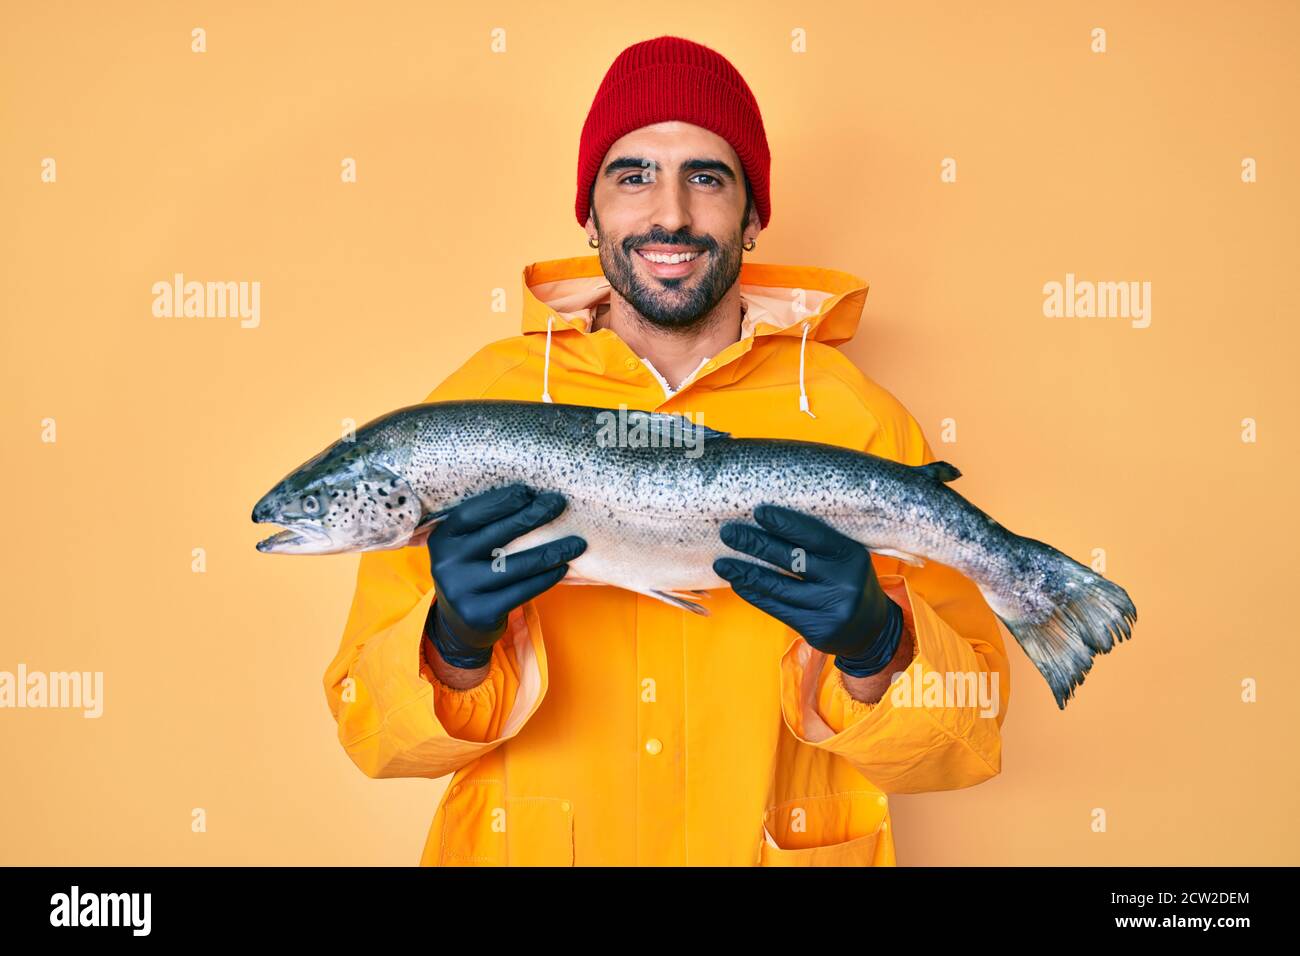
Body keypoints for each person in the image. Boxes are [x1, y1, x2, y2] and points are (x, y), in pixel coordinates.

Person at [323, 34, 1010, 866]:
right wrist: (452, 644)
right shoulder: (476, 413)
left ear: (753, 216)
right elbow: (373, 738)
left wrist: (878, 647)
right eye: (633, 173)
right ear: (589, 212)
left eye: (707, 177)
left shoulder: (853, 417)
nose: (671, 214)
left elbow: (962, 743)